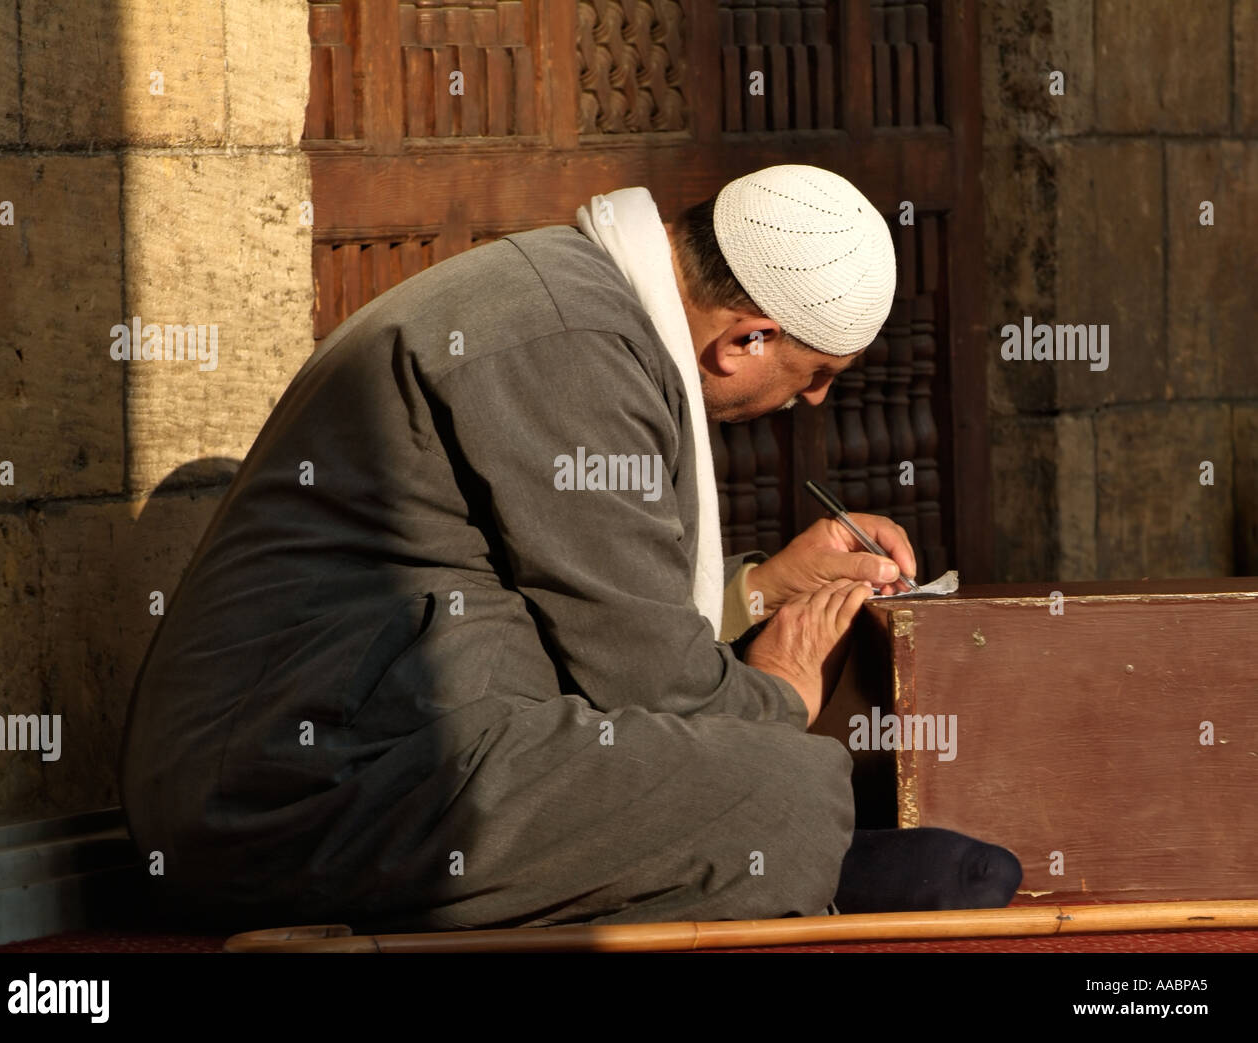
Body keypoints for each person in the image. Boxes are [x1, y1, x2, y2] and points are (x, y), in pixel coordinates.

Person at [119, 165, 1021, 932]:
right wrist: (779, 686)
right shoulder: (575, 343)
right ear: (747, 337)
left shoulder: (579, 299)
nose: (816, 403)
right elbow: (650, 684)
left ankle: (800, 863)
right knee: (786, 788)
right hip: (298, 786)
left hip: (374, 738)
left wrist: (763, 590)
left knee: (762, 779)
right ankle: (815, 866)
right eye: (816, 375)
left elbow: (579, 602)